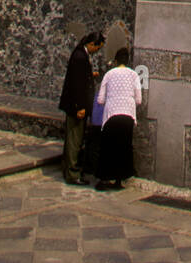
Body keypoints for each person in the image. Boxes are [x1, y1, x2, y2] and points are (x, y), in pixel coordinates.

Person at [58, 30, 105, 185]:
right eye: (97, 48)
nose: (97, 51)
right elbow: (77, 85)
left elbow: (81, 78)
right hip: (76, 106)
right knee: (74, 140)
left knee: (74, 139)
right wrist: (80, 107)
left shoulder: (81, 55)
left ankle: (69, 170)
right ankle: (72, 174)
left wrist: (91, 76)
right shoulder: (80, 57)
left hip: (77, 105)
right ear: (91, 44)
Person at [94, 47, 143, 191]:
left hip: (112, 114)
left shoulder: (109, 74)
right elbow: (139, 100)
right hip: (128, 115)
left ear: (115, 60)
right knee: (124, 147)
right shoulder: (134, 75)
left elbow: (101, 99)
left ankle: (104, 178)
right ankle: (119, 180)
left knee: (108, 147)